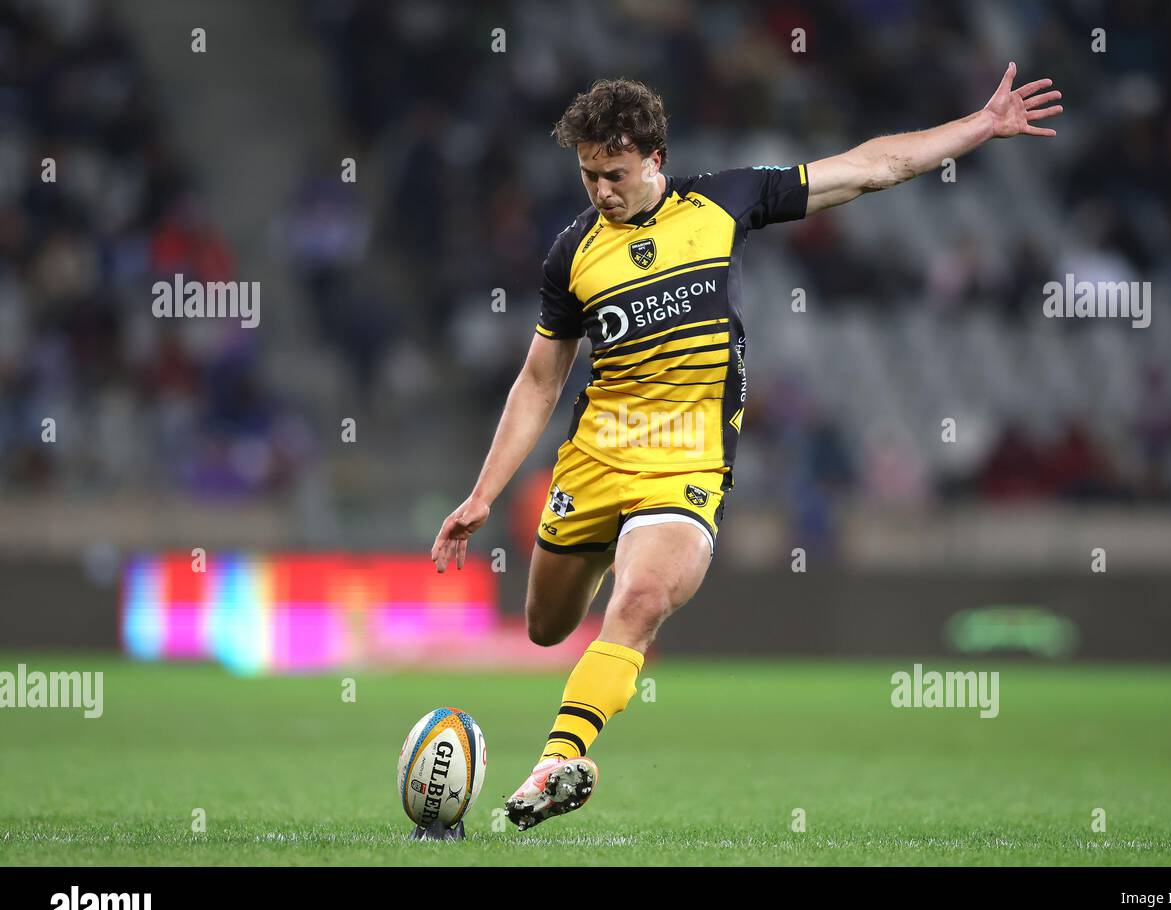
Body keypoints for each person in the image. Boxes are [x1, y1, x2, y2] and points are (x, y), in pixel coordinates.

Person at [430, 68, 1062, 831]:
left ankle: (556, 760)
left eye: (616, 175)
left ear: (655, 158)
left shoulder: (722, 201)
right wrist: (484, 494)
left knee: (640, 600)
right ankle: (606, 556)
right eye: (589, 175)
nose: (601, 191)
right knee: (547, 627)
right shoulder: (571, 254)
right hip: (595, 460)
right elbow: (538, 383)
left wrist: (979, 126)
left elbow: (871, 168)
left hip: (686, 462)